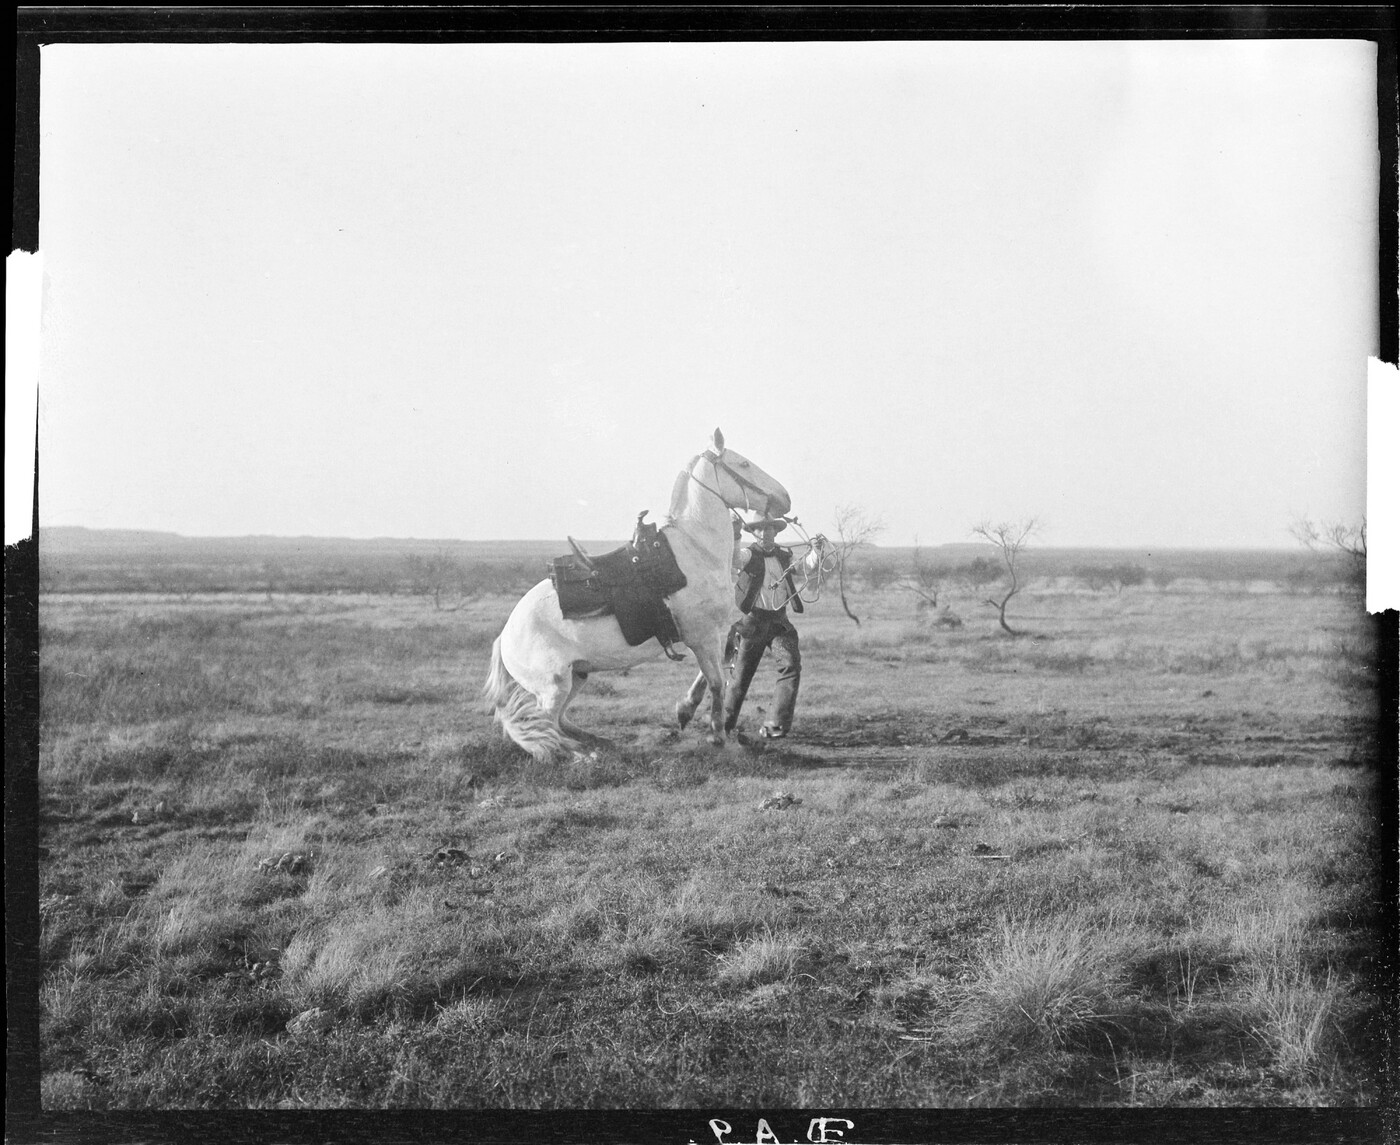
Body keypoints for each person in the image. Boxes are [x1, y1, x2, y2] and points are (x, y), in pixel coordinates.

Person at [721, 517, 827, 740]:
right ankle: (722, 729)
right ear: (755, 533)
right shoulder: (749, 555)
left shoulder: (783, 555)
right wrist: (735, 533)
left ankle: (774, 725)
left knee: (791, 666)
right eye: (761, 529)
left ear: (775, 533)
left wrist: (816, 551)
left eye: (769, 529)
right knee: (740, 679)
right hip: (753, 624)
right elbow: (734, 560)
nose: (766, 533)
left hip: (779, 624)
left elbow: (804, 567)